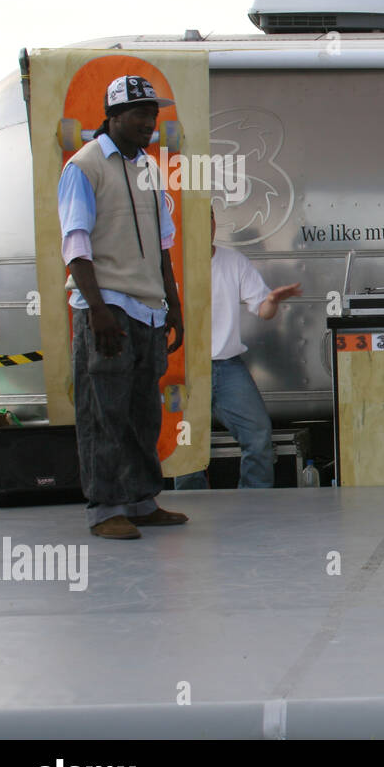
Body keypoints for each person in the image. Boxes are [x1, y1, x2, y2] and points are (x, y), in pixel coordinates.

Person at [58, 75, 187, 539]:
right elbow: (76, 247)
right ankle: (104, 508)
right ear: (113, 117)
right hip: (108, 306)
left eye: (153, 114)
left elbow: (163, 245)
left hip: (148, 309)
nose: (149, 122)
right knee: (103, 410)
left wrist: (173, 305)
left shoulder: (149, 169)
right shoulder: (84, 165)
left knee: (141, 412)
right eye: (139, 114)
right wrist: (97, 310)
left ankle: (139, 500)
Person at [174, 209, 301, 489]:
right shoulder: (172, 263)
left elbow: (263, 309)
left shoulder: (233, 261)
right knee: (187, 447)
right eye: (196, 221)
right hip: (183, 369)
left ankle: (253, 507)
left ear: (213, 223)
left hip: (227, 365)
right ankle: (194, 512)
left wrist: (273, 300)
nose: (203, 226)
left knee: (258, 435)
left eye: (207, 220)